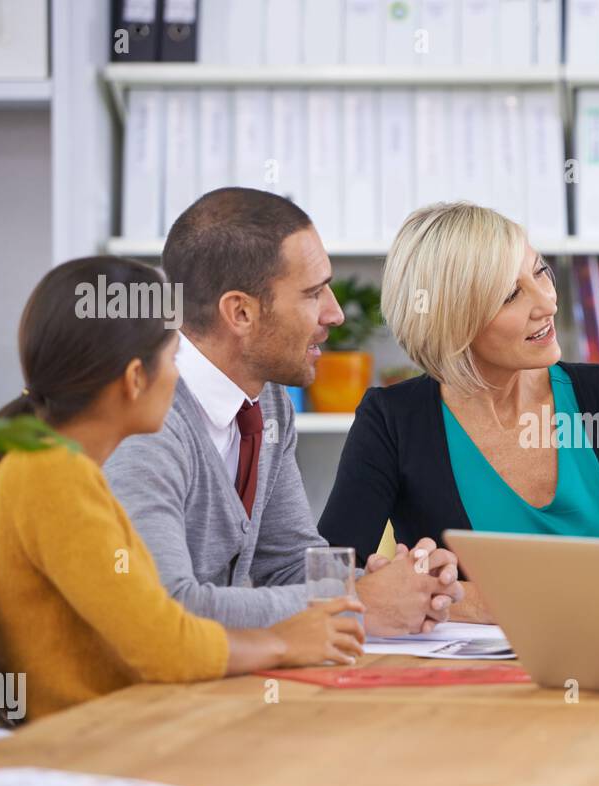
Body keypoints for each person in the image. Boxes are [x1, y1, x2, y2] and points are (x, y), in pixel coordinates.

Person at [0, 257, 365, 723]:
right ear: (135, 379)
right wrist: (283, 641)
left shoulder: (48, 463)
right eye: (173, 358)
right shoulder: (52, 474)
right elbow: (165, 643)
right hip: (81, 750)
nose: (179, 376)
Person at [104, 188, 462, 636]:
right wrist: (360, 604)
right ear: (240, 312)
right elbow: (163, 607)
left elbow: (290, 567)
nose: (334, 314)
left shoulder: (267, 404)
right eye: (313, 293)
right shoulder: (146, 424)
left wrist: (402, 588)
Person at [318, 202, 599, 623]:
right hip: (470, 682)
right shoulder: (394, 421)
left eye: (540, 271)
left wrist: (464, 597)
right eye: (511, 294)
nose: (546, 302)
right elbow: (329, 581)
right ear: (451, 321)